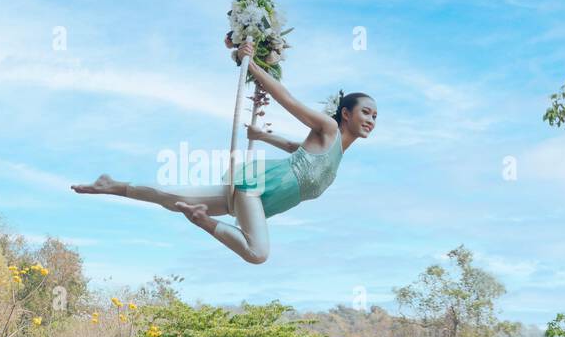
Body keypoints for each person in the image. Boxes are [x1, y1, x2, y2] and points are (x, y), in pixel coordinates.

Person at [71, 37, 376, 264]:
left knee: (174, 198)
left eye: (375, 116)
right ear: (346, 113)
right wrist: (252, 65)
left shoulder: (334, 152)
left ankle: (111, 186)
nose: (370, 120)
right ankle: (202, 220)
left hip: (259, 198)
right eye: (366, 112)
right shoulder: (329, 128)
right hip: (256, 188)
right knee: (258, 253)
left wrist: (261, 135)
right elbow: (289, 99)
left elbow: (294, 148)